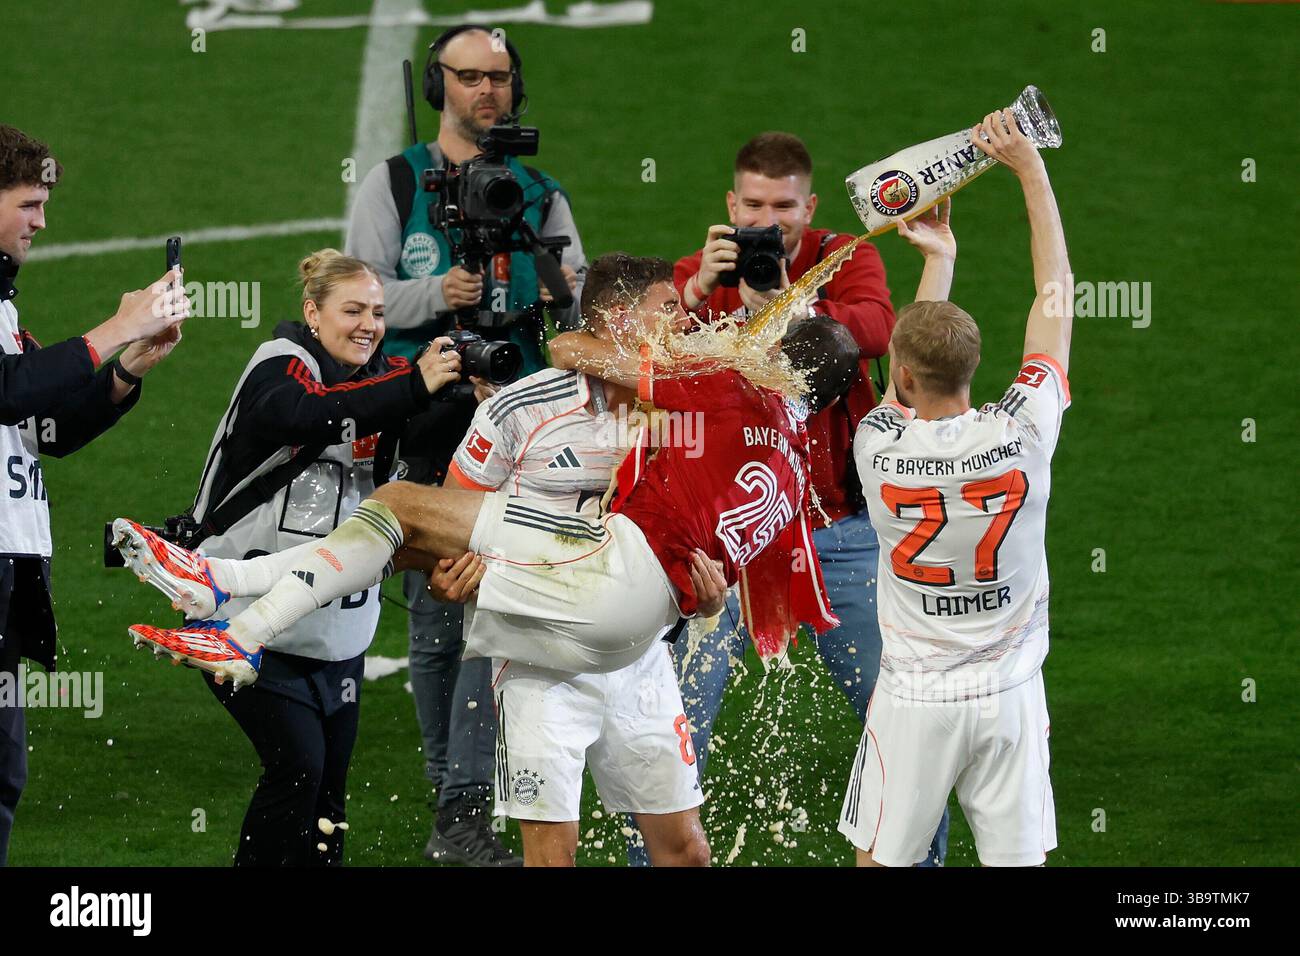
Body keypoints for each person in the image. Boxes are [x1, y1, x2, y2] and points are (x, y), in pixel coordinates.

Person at [113, 311, 861, 732]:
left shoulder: (728, 387)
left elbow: (571, 348)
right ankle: (219, 597)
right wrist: (712, 599)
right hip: (642, 624)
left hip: (609, 573)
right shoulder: (798, 465)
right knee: (403, 534)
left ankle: (230, 610)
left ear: (779, 360)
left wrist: (702, 352)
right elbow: (766, 608)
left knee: (402, 504)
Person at [114, 249, 462, 866]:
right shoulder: (279, 363)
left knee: (328, 799)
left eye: (378, 312)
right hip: (241, 621)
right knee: (298, 768)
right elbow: (301, 414)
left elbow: (434, 459)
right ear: (312, 312)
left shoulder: (389, 381)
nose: (369, 324)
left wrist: (471, 396)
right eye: (352, 310)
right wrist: (414, 386)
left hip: (337, 637)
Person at [345, 23, 586, 865]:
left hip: (517, 423)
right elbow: (355, 306)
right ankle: (456, 794)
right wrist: (429, 295)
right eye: (470, 77)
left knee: (492, 609)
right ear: (436, 84)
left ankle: (464, 802)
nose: (488, 91)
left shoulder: (542, 193)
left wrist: (544, 289)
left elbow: (574, 308)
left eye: (500, 78)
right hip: (426, 423)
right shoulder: (396, 181)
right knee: (436, 620)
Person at [672, 131, 948, 866]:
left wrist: (792, 305)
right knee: (672, 728)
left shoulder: (845, 254)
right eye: (755, 204)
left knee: (901, 719)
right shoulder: (704, 272)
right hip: (726, 540)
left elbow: (881, 330)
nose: (771, 220)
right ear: (731, 205)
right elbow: (647, 348)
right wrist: (700, 289)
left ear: (810, 204)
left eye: (784, 205)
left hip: (837, 530)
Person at [839, 112, 1072, 867]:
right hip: (1009, 694)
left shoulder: (877, 444)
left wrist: (938, 257)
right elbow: (1055, 296)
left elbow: (907, 370)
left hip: (913, 702)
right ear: (975, 367)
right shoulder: (1025, 430)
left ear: (901, 376)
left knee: (880, 861)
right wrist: (1029, 171)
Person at [438, 253, 719, 866]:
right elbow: (451, 522)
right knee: (552, 858)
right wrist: (454, 575)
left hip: (639, 654)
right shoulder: (520, 411)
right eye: (667, 309)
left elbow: (695, 535)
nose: (684, 320)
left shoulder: (681, 413)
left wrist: (710, 595)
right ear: (621, 321)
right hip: (539, 661)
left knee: (686, 851)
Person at [0, 124, 188, 865]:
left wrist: (127, 368)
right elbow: (9, 392)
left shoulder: (5, 310)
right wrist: (114, 326)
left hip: (13, 569)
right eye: (27, 202)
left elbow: (41, 429)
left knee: (4, 777)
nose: (42, 220)